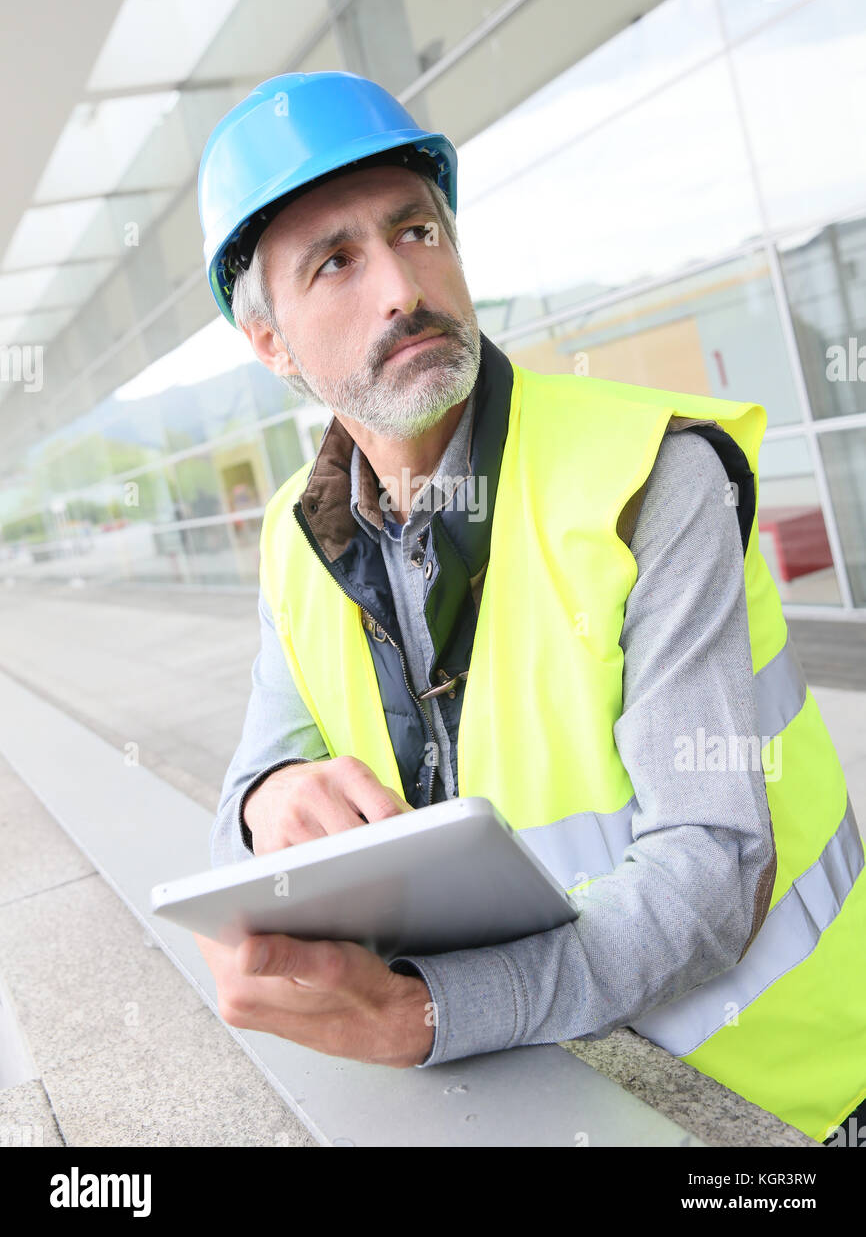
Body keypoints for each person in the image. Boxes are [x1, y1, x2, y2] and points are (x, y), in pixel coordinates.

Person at [193, 71, 866, 1143]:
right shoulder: (294, 539)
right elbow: (252, 774)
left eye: (416, 231)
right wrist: (268, 799)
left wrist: (425, 1013)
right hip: (542, 1084)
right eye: (336, 262)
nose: (398, 288)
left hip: (778, 1097)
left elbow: (711, 863)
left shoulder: (650, 476)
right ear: (270, 344)